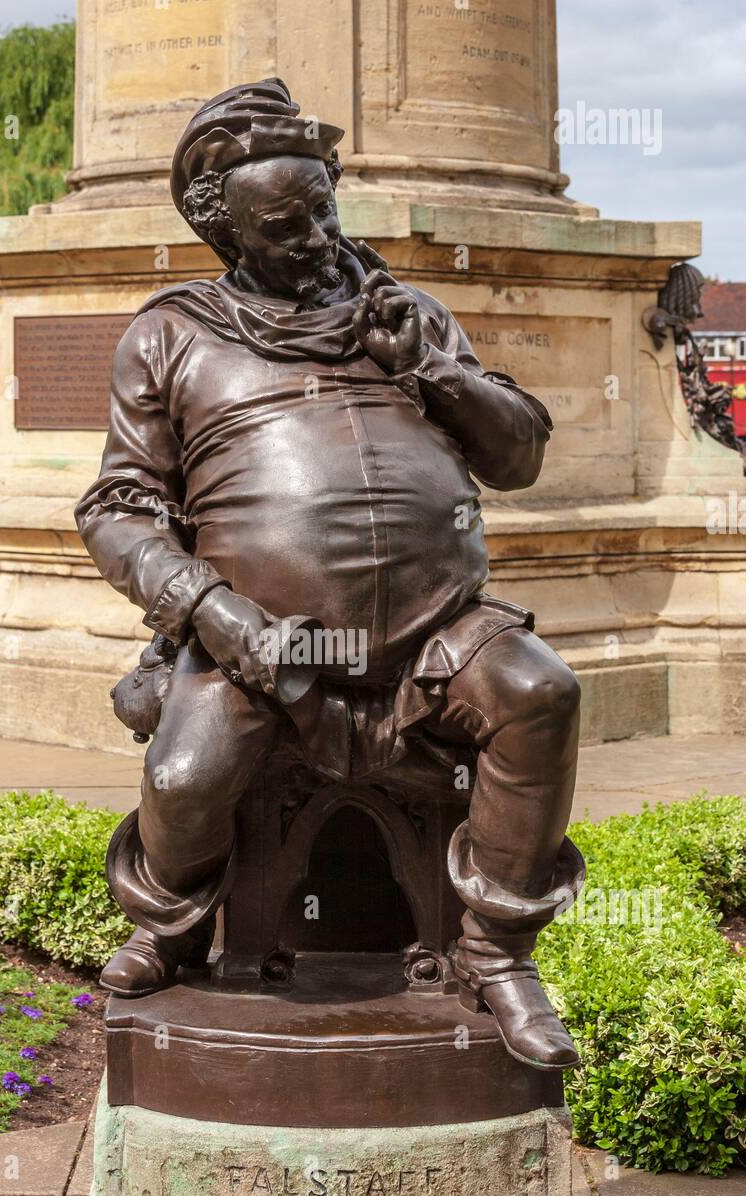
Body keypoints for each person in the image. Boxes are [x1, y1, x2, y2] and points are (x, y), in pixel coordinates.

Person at [76, 79, 585, 1070]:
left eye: (323, 207)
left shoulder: (409, 316)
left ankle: (493, 953)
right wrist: (212, 615)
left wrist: (429, 372)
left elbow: (518, 458)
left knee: (541, 694)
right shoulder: (170, 334)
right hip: (261, 640)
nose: (315, 236)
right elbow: (118, 508)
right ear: (221, 226)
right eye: (284, 221)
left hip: (436, 630)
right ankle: (174, 917)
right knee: (183, 776)